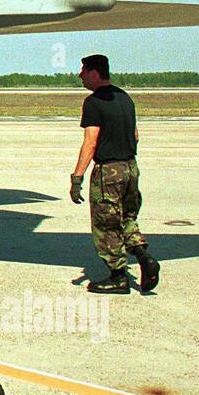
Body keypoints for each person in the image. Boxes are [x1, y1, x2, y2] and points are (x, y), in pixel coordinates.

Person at [70, 54, 159, 294]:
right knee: (127, 218)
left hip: (108, 172)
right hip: (130, 168)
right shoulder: (125, 98)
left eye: (83, 71)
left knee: (106, 225)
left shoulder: (93, 103)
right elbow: (136, 134)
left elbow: (90, 143)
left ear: (95, 73)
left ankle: (118, 277)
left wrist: (77, 178)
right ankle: (143, 255)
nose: (80, 76)